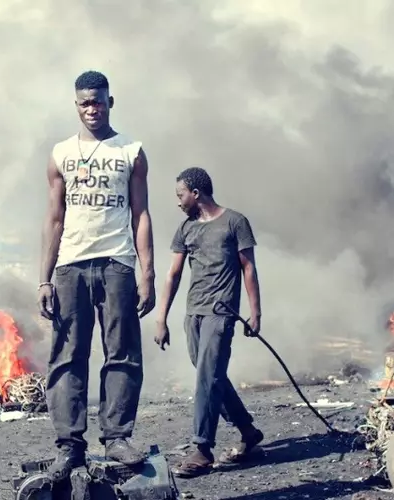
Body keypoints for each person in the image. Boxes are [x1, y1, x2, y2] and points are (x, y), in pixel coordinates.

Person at [37, 70, 156, 481]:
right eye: (85, 102)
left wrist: (148, 273)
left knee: (122, 353)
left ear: (110, 101)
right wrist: (44, 278)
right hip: (71, 266)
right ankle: (69, 445)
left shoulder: (131, 151)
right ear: (76, 105)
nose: (93, 108)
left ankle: (117, 437)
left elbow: (140, 214)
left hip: (117, 264)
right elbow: (54, 218)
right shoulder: (60, 154)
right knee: (67, 356)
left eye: (99, 100)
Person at [154, 167, 265, 478]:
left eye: (180, 195)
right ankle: (248, 431)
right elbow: (173, 275)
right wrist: (161, 319)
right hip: (194, 314)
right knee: (211, 375)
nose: (178, 202)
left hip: (221, 312)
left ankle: (202, 448)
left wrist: (255, 313)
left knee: (207, 375)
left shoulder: (235, 222)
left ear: (196, 194)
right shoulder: (186, 228)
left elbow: (249, 269)